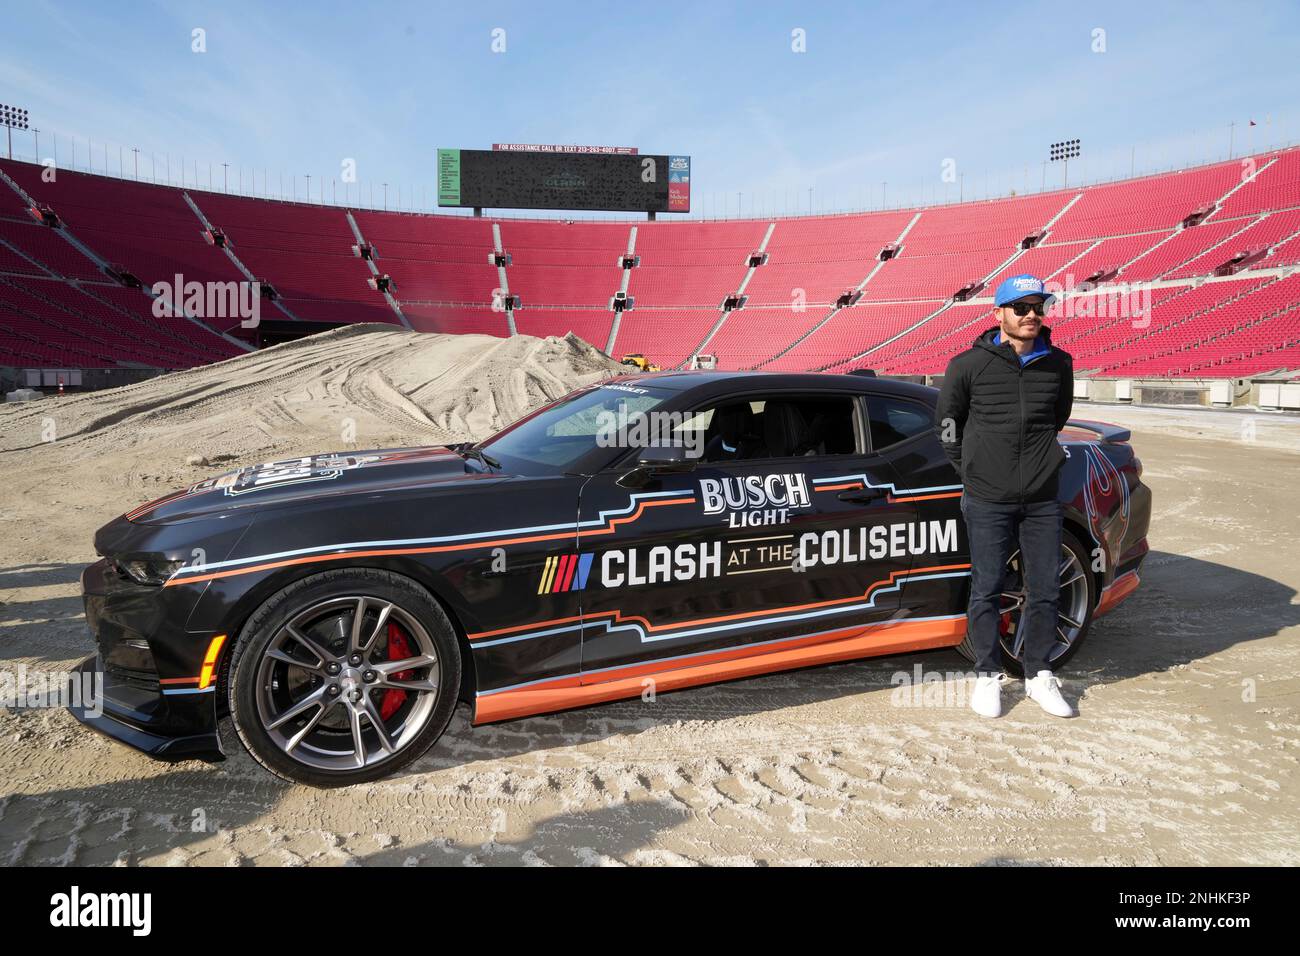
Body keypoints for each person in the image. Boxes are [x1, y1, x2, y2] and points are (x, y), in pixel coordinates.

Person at [934, 274, 1076, 719]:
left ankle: (1037, 674)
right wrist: (972, 471)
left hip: (1041, 497)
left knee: (1045, 588)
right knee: (987, 587)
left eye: (1039, 306)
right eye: (1021, 307)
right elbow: (947, 425)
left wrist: (1037, 464)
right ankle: (986, 674)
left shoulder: (1059, 364)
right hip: (986, 497)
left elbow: (1056, 419)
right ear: (998, 314)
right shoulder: (967, 365)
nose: (1032, 314)